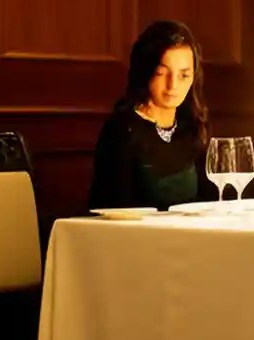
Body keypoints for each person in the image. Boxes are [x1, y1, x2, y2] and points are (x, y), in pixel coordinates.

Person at [88, 21, 210, 210]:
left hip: (189, 237)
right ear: (146, 71)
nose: (173, 86)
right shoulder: (122, 130)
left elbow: (207, 203)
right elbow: (110, 210)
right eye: (162, 73)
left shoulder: (190, 126)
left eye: (184, 76)